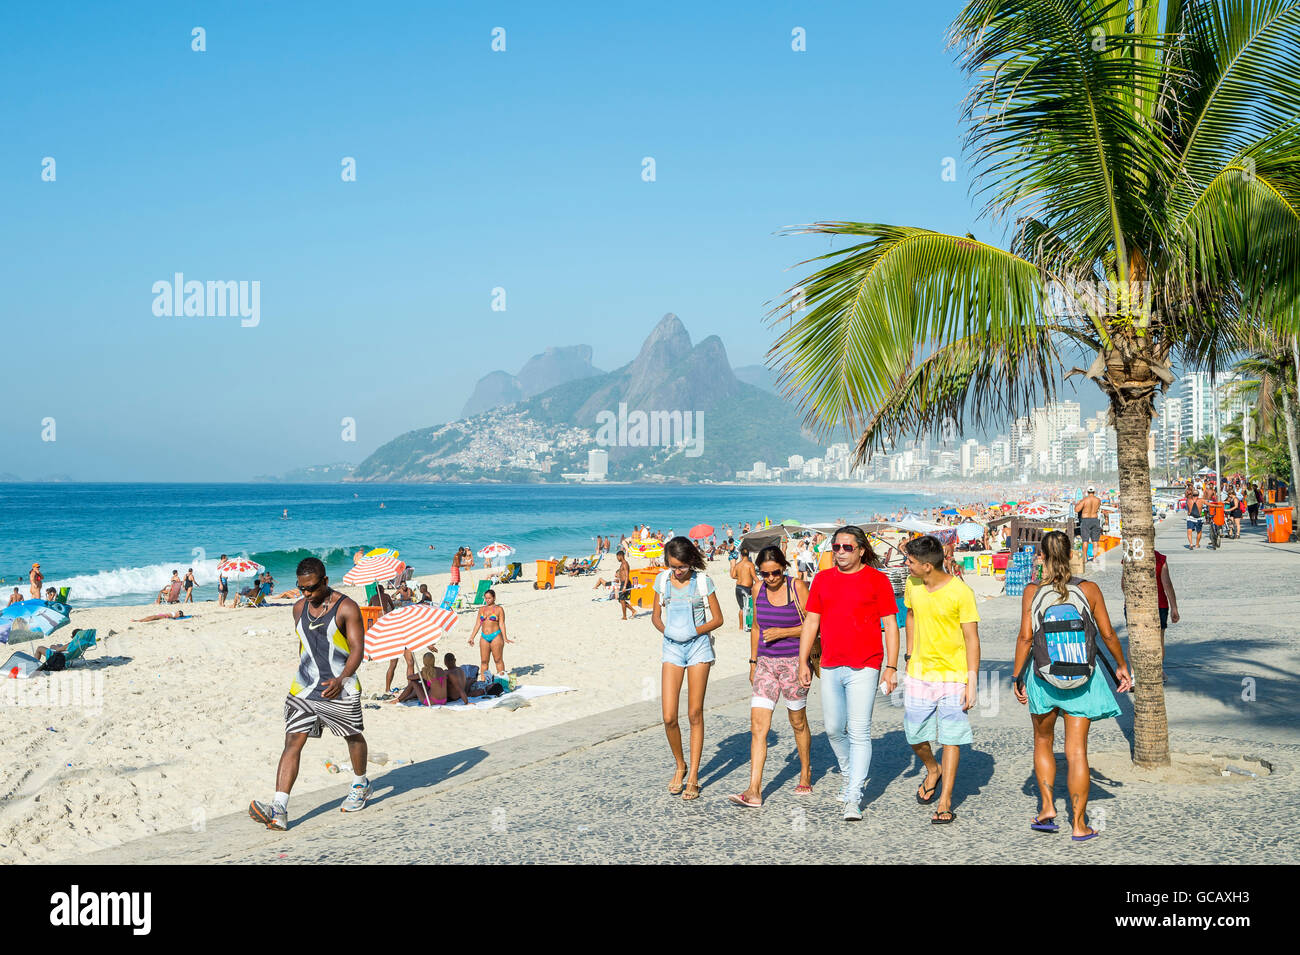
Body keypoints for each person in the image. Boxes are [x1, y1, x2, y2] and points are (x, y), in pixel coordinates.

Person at [1012, 531, 1132, 841]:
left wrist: (1016, 677)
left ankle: (1048, 808)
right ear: (1071, 554)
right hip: (1082, 679)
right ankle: (1079, 825)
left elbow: (1026, 638)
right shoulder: (1089, 589)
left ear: (1042, 556)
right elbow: (1107, 634)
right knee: (1076, 752)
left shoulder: (1031, 592)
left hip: (1042, 678)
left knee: (1043, 742)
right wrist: (1121, 665)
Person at [249, 557, 369, 831]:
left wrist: (342, 678)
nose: (306, 593)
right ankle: (279, 808)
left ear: (325, 581)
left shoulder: (347, 607)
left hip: (339, 687)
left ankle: (361, 783)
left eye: (312, 588)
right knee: (292, 742)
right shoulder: (299, 608)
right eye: (301, 588)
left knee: (352, 737)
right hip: (303, 688)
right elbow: (306, 645)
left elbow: (357, 649)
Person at [798, 525, 901, 821]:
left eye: (847, 547)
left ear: (861, 550)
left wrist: (891, 667)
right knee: (832, 728)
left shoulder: (876, 580)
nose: (840, 552)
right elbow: (811, 622)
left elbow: (891, 626)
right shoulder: (822, 579)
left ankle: (854, 795)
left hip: (866, 664)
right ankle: (849, 773)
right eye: (836, 547)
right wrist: (803, 661)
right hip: (830, 663)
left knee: (859, 731)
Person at [901, 536, 980, 825]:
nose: (905, 565)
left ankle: (945, 799)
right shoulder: (913, 584)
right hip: (920, 673)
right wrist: (909, 654)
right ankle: (933, 769)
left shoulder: (961, 592)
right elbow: (910, 616)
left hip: (954, 676)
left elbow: (972, 639)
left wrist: (971, 681)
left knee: (951, 737)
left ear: (926, 566)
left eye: (909, 562)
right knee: (914, 733)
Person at [729, 546, 812, 807]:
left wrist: (782, 633)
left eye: (775, 572)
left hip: (794, 664)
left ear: (784, 568)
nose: (771, 578)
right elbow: (755, 627)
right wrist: (753, 662)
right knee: (758, 727)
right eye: (765, 574)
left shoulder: (796, 587)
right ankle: (754, 789)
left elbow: (814, 625)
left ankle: (806, 771)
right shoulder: (757, 589)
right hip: (765, 664)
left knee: (797, 722)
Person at [652, 536, 724, 801]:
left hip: (698, 648)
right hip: (671, 648)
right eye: (673, 567)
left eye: (681, 566)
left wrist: (694, 631)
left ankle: (693, 774)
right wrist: (668, 631)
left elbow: (718, 619)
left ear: (690, 561)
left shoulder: (703, 582)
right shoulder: (661, 581)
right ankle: (679, 764)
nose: (678, 571)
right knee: (669, 715)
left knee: (694, 712)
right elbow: (656, 616)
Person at [468, 589, 511, 679]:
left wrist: (505, 637)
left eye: (489, 598)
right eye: (486, 598)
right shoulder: (481, 609)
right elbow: (477, 624)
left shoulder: (499, 609)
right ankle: (483, 682)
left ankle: (502, 681)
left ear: (494, 598)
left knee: (498, 660)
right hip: (484, 637)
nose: (487, 600)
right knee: (484, 661)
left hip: (496, 636)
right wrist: (472, 637)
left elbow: (502, 624)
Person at [730, 547, 756, 632]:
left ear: (741, 555)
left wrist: (741, 576)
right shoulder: (750, 564)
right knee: (749, 607)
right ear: (748, 555)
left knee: (741, 608)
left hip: (738, 587)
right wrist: (761, 583)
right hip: (746, 588)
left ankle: (741, 627)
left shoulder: (737, 565)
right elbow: (754, 577)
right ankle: (749, 625)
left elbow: (733, 576)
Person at [1075, 487, 1102, 561]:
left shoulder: (1084, 500)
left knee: (1085, 540)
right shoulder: (1098, 500)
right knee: (1095, 541)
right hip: (1095, 520)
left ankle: (1084, 558)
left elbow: (1077, 510)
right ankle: (1094, 558)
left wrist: (1078, 503)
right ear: (1094, 492)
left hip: (1086, 520)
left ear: (1087, 492)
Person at [614, 550, 634, 620]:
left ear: (620, 556)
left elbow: (627, 576)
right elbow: (622, 575)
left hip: (625, 583)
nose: (617, 559)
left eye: (617, 557)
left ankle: (624, 616)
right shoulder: (622, 564)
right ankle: (633, 610)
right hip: (623, 583)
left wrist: (625, 586)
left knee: (622, 600)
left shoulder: (625, 564)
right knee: (620, 600)